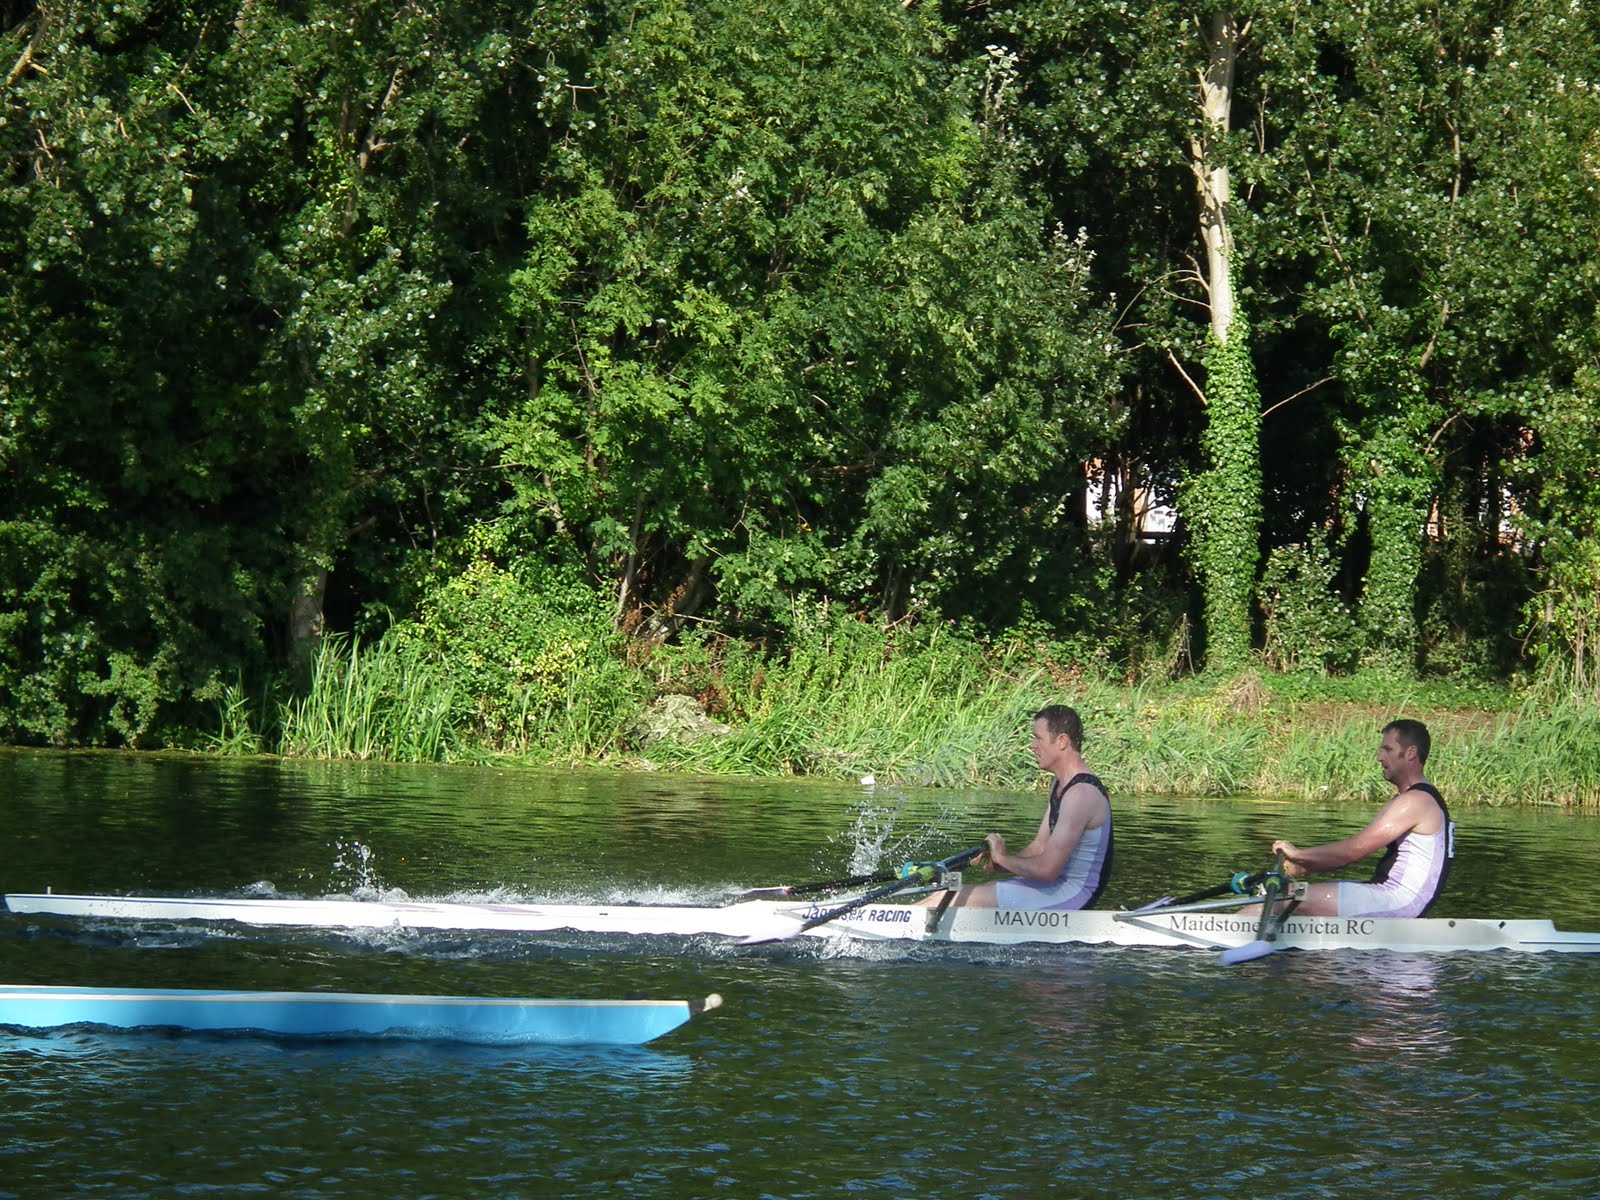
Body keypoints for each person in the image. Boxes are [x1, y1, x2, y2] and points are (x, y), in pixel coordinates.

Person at [928, 704, 1113, 910]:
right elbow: (1039, 848)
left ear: (1062, 741)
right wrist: (997, 864)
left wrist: (1003, 857)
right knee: (951, 895)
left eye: (1038, 738)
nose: (1033, 746)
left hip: (1073, 896)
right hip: (1054, 888)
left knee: (957, 898)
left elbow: (1047, 870)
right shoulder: (1060, 785)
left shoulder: (1081, 794)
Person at [1269, 719, 1453, 918]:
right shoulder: (1416, 799)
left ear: (1411, 753)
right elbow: (1345, 856)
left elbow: (1353, 851)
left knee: (1280, 901)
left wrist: (1298, 854)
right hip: (1392, 897)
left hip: (1399, 901)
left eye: (1388, 749)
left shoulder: (1415, 802)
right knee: (1290, 894)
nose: (1380, 758)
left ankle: (1232, 939)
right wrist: (1301, 868)